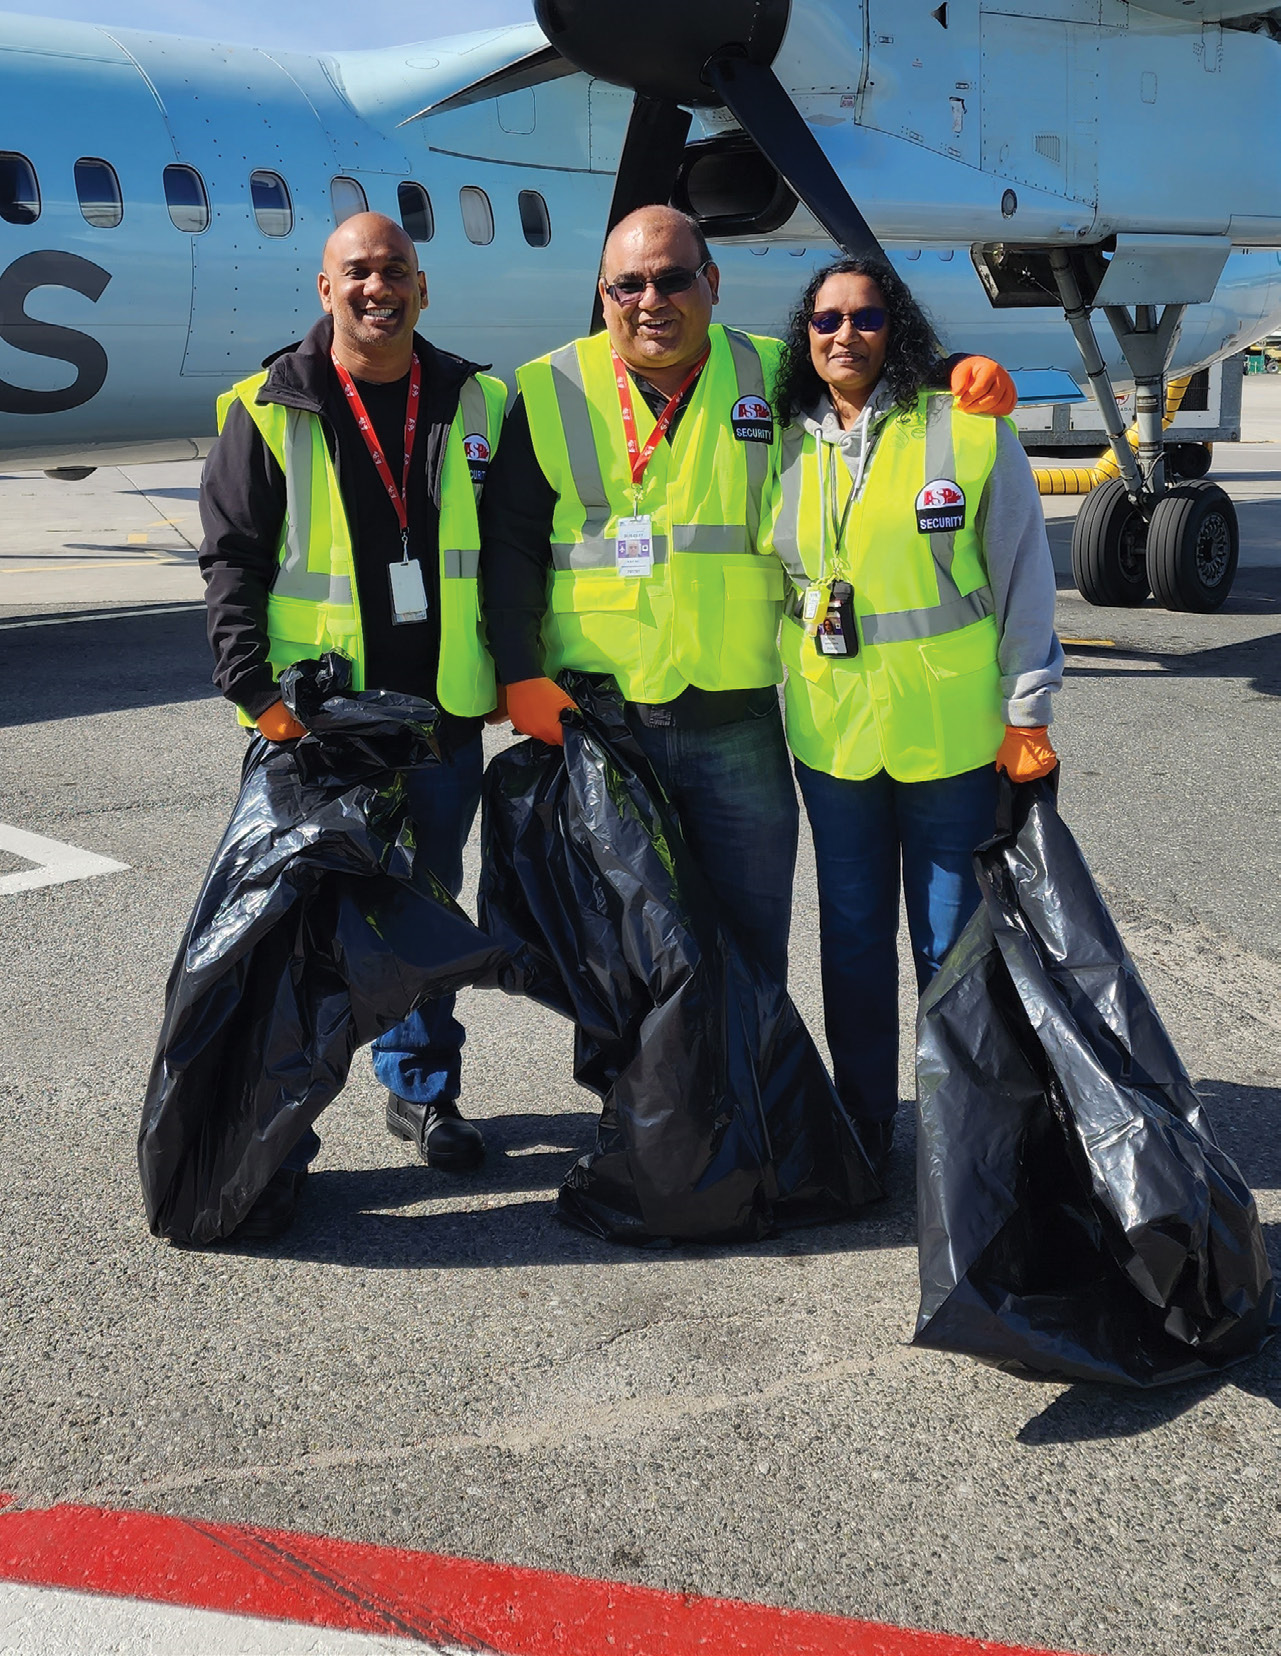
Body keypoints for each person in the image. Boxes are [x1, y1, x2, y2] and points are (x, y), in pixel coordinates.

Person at [479, 204, 1017, 987]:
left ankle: (756, 1100)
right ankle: (634, 1109)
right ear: (603, 295)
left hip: (736, 716)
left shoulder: (767, 371)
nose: (650, 301)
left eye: (671, 279)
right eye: (628, 285)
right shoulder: (550, 387)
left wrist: (953, 368)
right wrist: (519, 668)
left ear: (712, 283)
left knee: (753, 934)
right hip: (604, 716)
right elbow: (512, 544)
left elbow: (861, 370)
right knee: (617, 938)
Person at [198, 212, 506, 1234]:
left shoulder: (476, 400)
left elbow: (513, 546)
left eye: (397, 272)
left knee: (422, 905)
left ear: (423, 289)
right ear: (325, 289)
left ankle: (422, 1089)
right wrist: (255, 692)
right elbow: (233, 559)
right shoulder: (266, 407)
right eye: (358, 272)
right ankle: (290, 1121)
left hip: (439, 713)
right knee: (306, 927)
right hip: (322, 722)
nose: (379, 287)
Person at [764, 255, 1063, 1173]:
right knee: (851, 941)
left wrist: (1029, 709)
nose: (843, 335)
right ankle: (864, 1126)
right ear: (803, 338)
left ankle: (961, 1138)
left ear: (897, 331)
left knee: (949, 943)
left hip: (949, 733)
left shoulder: (965, 428)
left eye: (864, 318)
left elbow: (1023, 578)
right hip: (834, 735)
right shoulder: (778, 439)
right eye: (824, 322)